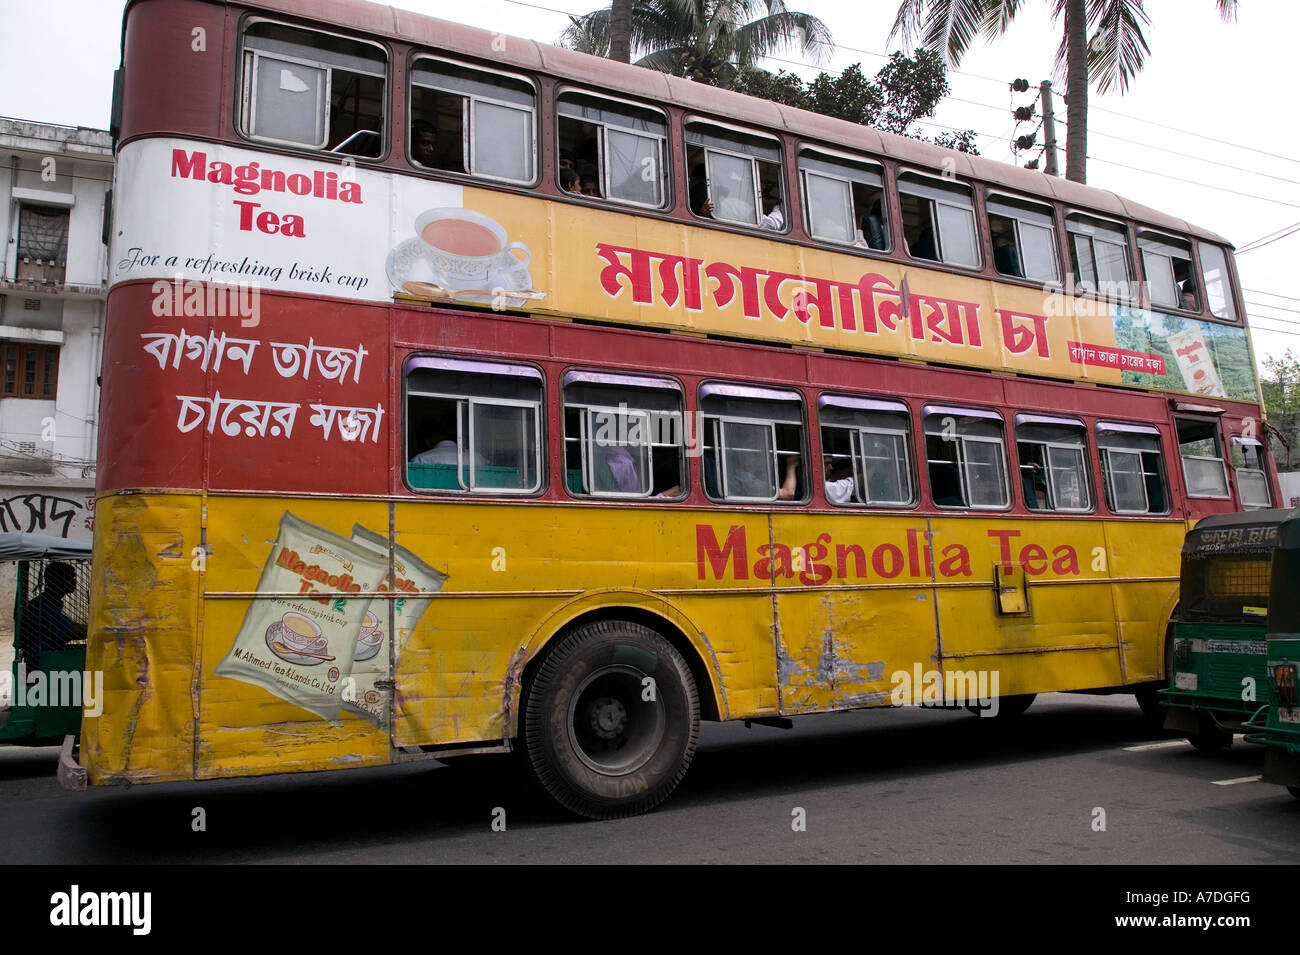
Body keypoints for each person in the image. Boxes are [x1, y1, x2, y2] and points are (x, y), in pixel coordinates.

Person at [20, 562, 85, 671]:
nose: (75, 582)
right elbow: (73, 631)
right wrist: (98, 628)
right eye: (70, 578)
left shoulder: (50, 602)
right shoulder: (43, 605)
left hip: (42, 656)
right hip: (37, 663)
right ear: (58, 580)